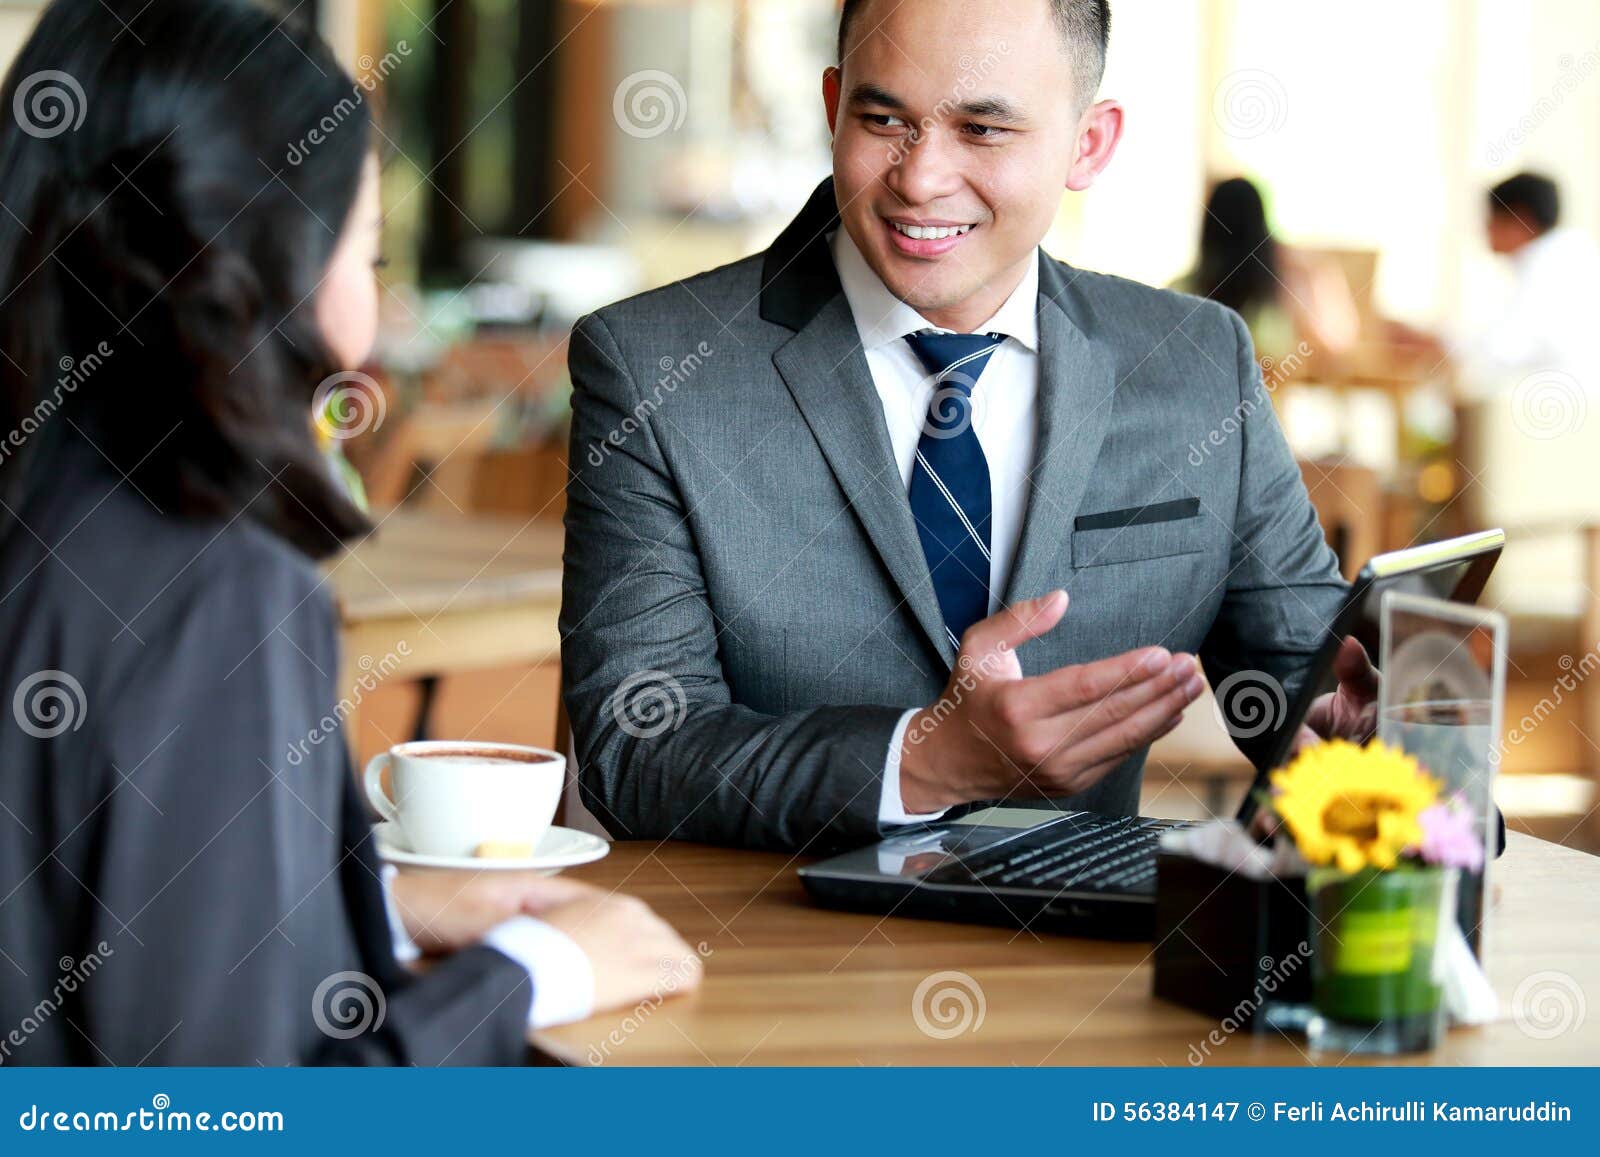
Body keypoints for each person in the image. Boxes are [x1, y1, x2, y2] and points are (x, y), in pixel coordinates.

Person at [0, 0, 696, 1066]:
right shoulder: (216, 582)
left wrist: (376, 896)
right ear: (271, 261)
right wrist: (533, 970)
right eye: (364, 257)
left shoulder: (48, 508)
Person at [560, 0, 1376, 852]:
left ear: (1088, 144)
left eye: (983, 130)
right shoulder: (655, 368)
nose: (919, 179)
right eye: (883, 120)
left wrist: (1373, 736)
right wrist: (925, 760)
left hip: (1084, 965)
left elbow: (1302, 681)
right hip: (769, 958)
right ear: (833, 105)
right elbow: (635, 753)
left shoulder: (1196, 364)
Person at [1175, 176, 1358, 368]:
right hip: (1273, 395)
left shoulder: (1180, 290)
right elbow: (1336, 345)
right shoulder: (1284, 294)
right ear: (1262, 229)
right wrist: (1316, 274)